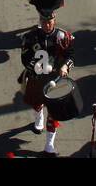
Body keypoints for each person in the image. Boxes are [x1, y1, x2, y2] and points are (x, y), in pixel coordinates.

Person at [20, 10, 76, 155]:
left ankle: (49, 145)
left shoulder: (63, 37)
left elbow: (70, 55)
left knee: (54, 113)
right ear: (40, 21)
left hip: (56, 79)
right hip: (37, 77)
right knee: (37, 104)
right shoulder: (31, 37)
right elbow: (25, 58)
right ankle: (39, 118)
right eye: (44, 21)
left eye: (49, 21)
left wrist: (65, 66)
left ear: (54, 21)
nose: (47, 24)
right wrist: (35, 66)